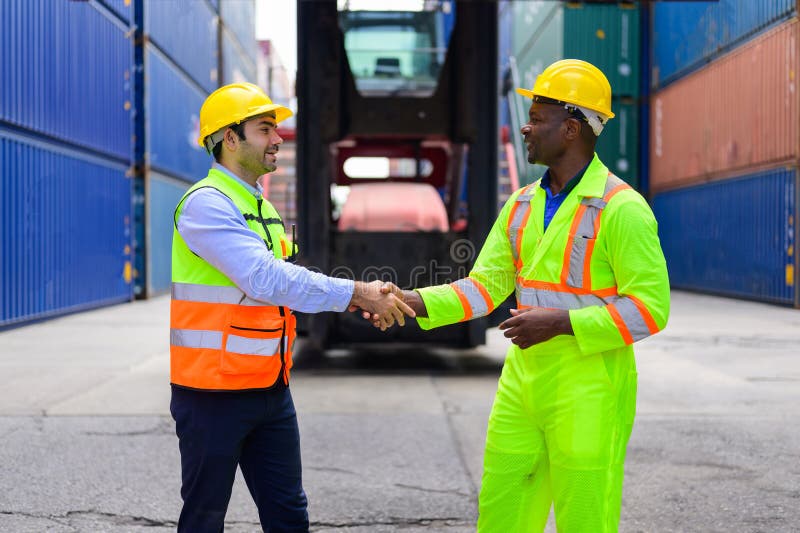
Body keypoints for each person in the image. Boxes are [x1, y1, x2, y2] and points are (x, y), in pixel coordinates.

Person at [381, 60, 670, 532]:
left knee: (585, 519)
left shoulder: (623, 209)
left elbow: (650, 309)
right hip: (523, 385)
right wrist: (410, 302)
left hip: (590, 388)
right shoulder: (519, 206)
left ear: (571, 128)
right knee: (503, 513)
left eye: (537, 117)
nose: (525, 126)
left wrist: (559, 322)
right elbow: (482, 288)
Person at [169, 82, 414, 532]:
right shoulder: (206, 206)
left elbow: (282, 294)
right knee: (204, 516)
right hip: (212, 395)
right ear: (230, 138)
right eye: (265, 129)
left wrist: (356, 297)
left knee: (288, 514)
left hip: (269, 388)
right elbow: (266, 279)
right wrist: (355, 293)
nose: (278, 138)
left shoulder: (261, 207)